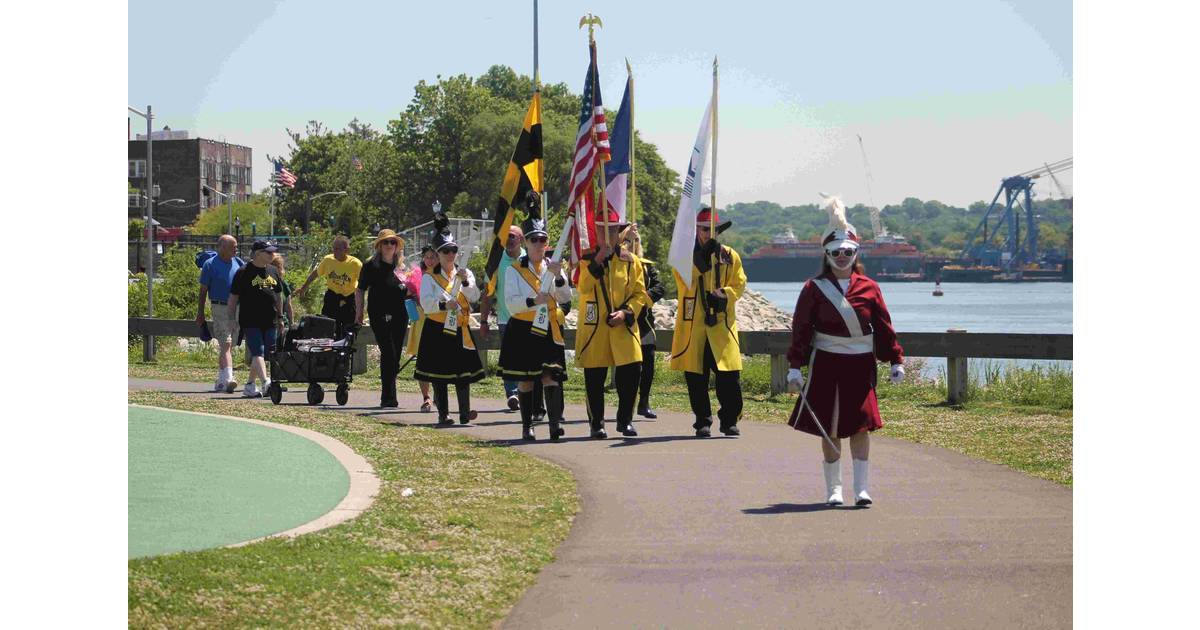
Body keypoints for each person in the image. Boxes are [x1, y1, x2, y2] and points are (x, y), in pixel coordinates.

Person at [785, 194, 905, 506]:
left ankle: (861, 489)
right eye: (836, 252)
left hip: (860, 365)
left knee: (860, 425)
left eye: (847, 252)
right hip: (825, 363)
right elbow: (800, 331)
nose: (841, 257)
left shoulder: (870, 287)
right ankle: (834, 490)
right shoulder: (813, 288)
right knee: (830, 427)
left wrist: (895, 359)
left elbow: (883, 326)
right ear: (826, 253)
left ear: (855, 253)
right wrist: (795, 367)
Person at [669, 206, 747, 438]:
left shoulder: (729, 255)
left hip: (721, 326)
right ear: (696, 230)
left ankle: (729, 420)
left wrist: (725, 294)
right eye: (703, 229)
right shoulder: (683, 256)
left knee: (729, 377)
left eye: (711, 229)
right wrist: (702, 260)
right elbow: (684, 283)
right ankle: (702, 420)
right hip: (695, 327)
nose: (707, 233)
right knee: (696, 377)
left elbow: (740, 283)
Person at [575, 208, 651, 438]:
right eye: (601, 228)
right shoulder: (586, 258)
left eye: (612, 229)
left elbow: (640, 293)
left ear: (619, 231)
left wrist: (627, 313)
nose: (606, 233)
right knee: (595, 378)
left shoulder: (630, 260)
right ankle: (596, 423)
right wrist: (598, 259)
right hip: (595, 327)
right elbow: (582, 287)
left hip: (623, 326)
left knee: (631, 372)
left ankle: (624, 420)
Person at [497, 214, 573, 441]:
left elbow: (566, 296)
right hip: (522, 328)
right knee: (526, 379)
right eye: (534, 240)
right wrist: (533, 301)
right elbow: (511, 302)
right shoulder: (514, 269)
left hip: (548, 328)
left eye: (542, 239)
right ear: (526, 243)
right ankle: (527, 426)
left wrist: (559, 278)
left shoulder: (553, 266)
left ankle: (553, 425)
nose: (539, 244)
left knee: (550, 375)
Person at [415, 224, 485, 425]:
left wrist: (464, 282)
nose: (450, 254)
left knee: (462, 373)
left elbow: (474, 296)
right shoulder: (429, 277)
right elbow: (427, 304)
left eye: (453, 250)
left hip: (459, 328)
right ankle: (443, 414)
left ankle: (464, 412)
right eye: (445, 250)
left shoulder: (465, 273)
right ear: (438, 253)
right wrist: (446, 305)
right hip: (437, 329)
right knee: (439, 375)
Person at [355, 229, 412, 408]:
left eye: (392, 242)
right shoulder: (370, 265)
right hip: (378, 313)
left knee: (394, 355)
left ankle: (389, 393)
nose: (389, 245)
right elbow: (360, 290)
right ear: (379, 246)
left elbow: (409, 290)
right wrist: (359, 312)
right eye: (386, 242)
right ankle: (387, 396)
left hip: (400, 314)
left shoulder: (401, 267)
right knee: (388, 351)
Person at [479, 224, 528, 412]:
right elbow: (487, 295)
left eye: (513, 236)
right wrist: (483, 321)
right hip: (506, 320)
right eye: (506, 236)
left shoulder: (529, 258)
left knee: (529, 358)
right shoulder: (497, 262)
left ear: (521, 239)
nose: (509, 239)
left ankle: (528, 393)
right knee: (509, 358)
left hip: (529, 319)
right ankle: (513, 393)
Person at [228, 241, 284, 398]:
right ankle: (266, 382)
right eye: (269, 252)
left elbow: (279, 297)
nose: (272, 255)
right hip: (250, 320)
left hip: (270, 320)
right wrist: (232, 319)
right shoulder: (243, 272)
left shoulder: (273, 270)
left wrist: (280, 317)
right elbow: (233, 298)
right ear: (258, 253)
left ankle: (250, 385)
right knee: (257, 351)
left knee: (266, 354)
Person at [622, 223, 666, 419]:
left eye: (637, 240)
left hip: (644, 322)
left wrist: (642, 300)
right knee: (627, 366)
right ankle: (626, 405)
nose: (634, 244)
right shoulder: (619, 263)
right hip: (624, 320)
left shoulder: (647, 266)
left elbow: (659, 288)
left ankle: (644, 402)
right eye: (630, 240)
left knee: (648, 363)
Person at [196, 234, 244, 393]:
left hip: (236, 308)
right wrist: (200, 313)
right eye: (233, 247)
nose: (236, 249)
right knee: (227, 342)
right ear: (222, 248)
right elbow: (203, 292)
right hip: (220, 307)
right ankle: (229, 378)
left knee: (229, 346)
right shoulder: (210, 265)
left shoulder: (238, 262)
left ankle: (221, 381)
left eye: (236, 246)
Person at [297, 235, 362, 330]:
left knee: (347, 328)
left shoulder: (355, 264)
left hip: (348, 298)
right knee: (327, 326)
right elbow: (315, 273)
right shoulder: (328, 260)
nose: (335, 251)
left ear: (346, 250)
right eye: (334, 248)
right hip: (332, 296)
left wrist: (360, 305)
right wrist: (304, 287)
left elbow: (363, 283)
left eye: (338, 249)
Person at [407, 245, 436, 412]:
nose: (430, 260)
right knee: (422, 361)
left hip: (438, 318)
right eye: (427, 256)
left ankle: (440, 394)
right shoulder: (416, 275)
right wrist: (413, 295)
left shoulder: (444, 274)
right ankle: (426, 397)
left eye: (433, 256)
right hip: (421, 319)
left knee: (439, 360)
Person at [270, 253, 295, 333]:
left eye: (279, 267)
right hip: (268, 323)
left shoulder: (283, 284)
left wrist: (292, 323)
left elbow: (288, 306)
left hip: (282, 324)